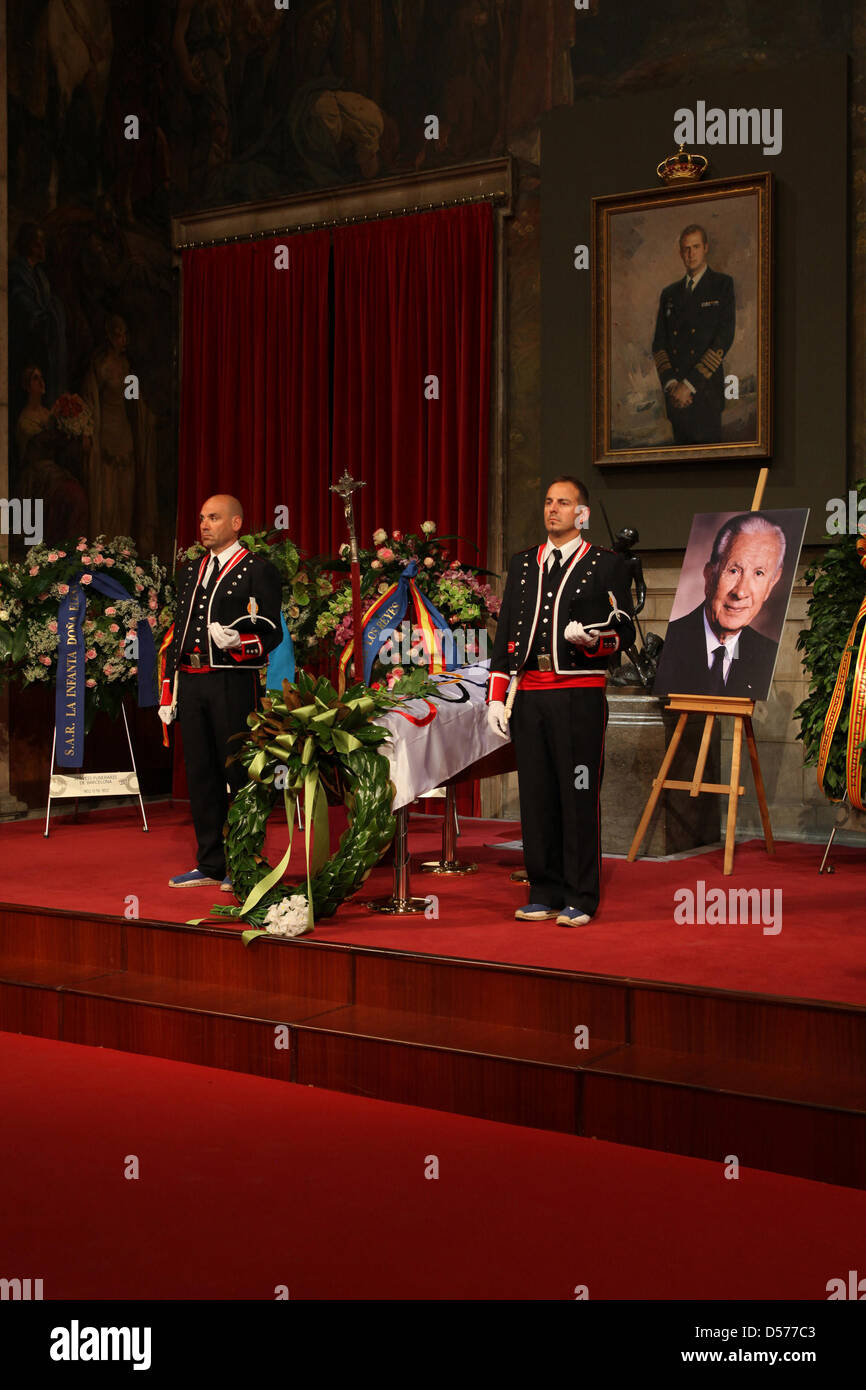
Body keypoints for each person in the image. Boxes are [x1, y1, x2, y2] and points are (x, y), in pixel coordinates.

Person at [487, 477, 635, 926]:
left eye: (564, 503)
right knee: (536, 798)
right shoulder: (523, 563)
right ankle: (543, 891)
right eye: (549, 502)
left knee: (578, 794)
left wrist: (594, 641)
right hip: (529, 697)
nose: (553, 509)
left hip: (578, 697)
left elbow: (625, 632)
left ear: (582, 514)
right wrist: (496, 697)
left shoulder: (606, 564)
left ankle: (580, 896)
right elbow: (506, 633)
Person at [159, 495, 283, 889]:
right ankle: (211, 862)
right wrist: (170, 688)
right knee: (201, 774)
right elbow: (179, 629)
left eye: (213, 518)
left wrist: (239, 642)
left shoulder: (258, 569)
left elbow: (273, 633)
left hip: (232, 680)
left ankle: (244, 862)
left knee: (239, 771)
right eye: (201, 518)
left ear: (236, 523)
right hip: (192, 681)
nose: (204, 525)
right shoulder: (190, 571)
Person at [654, 513, 785, 700]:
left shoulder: (767, 654)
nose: (740, 592)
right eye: (733, 570)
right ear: (709, 575)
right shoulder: (672, 644)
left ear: (771, 584)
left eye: (759, 573)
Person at [652, 224, 735, 445]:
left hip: (705, 394)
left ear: (705, 248)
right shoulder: (669, 294)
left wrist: (688, 386)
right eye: (686, 249)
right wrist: (672, 385)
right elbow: (659, 344)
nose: (691, 254)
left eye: (696, 247)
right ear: (680, 253)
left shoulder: (722, 285)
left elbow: (723, 339)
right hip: (676, 399)